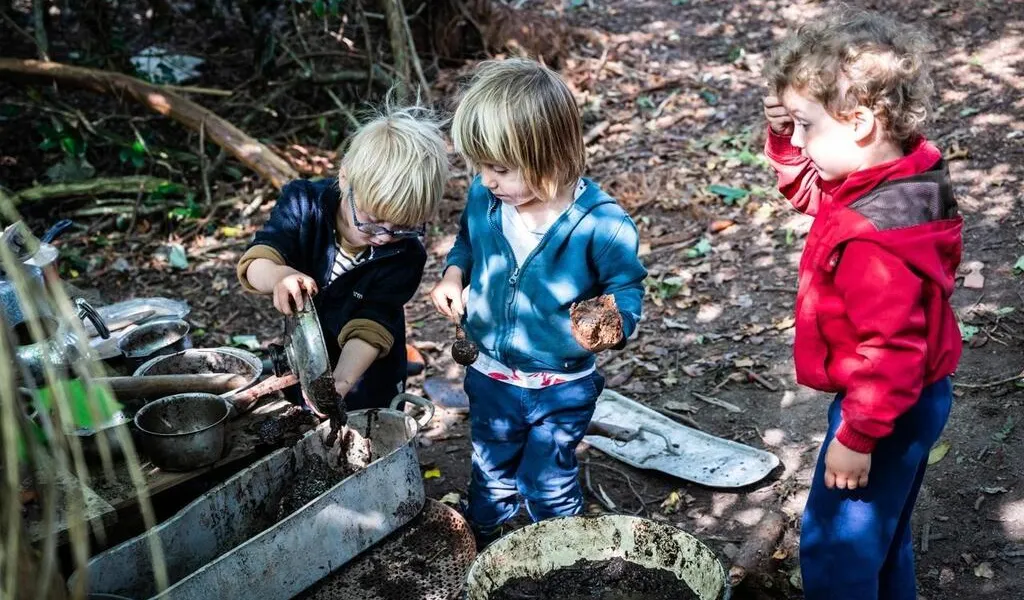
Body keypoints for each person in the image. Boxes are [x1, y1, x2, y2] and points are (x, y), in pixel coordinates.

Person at [762, 9, 962, 600]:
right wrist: (785, 132)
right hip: (909, 396)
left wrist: (857, 436)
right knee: (884, 537)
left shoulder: (874, 241)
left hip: (885, 404)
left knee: (837, 553)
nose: (799, 142)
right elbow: (810, 190)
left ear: (860, 123)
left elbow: (893, 348)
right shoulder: (894, 177)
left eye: (806, 126)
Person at [430, 58, 647, 545]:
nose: (487, 179)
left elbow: (627, 286)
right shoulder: (487, 199)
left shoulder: (601, 224)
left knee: (547, 479)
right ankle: (483, 537)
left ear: (549, 156)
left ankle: (562, 549)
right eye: (480, 166)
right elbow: (467, 242)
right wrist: (454, 274)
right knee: (491, 463)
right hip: (490, 373)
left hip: (561, 385)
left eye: (500, 169)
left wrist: (612, 320)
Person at [238, 106, 449, 414]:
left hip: (368, 368)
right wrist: (279, 276)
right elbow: (257, 261)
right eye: (372, 221)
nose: (384, 237)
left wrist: (341, 381)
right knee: (303, 422)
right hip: (304, 355)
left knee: (366, 426)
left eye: (402, 227)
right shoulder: (303, 204)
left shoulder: (407, 253)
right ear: (345, 179)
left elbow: (373, 323)